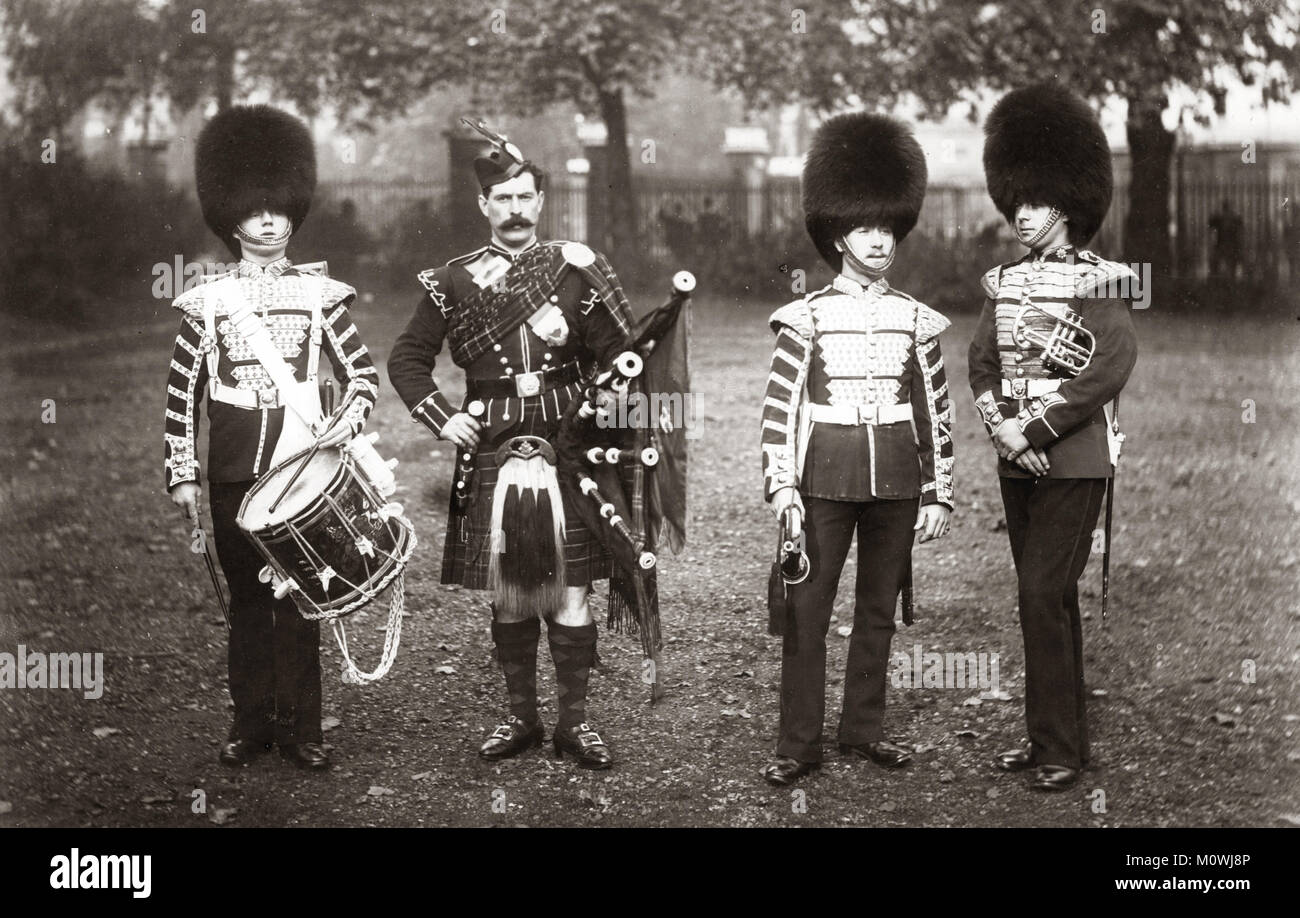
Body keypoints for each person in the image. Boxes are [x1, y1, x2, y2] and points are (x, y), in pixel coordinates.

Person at [387, 128, 636, 770]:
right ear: (484, 206)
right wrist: (442, 418)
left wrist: (594, 407)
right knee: (510, 585)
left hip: (565, 436)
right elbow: (408, 358)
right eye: (504, 198)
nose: (517, 208)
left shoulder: (573, 266)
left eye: (527, 196)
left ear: (540, 201)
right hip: (494, 435)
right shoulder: (455, 279)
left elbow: (624, 358)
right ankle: (522, 719)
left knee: (572, 584)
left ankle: (574, 725)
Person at [163, 105, 379, 771]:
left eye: (278, 209)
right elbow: (181, 394)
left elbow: (364, 376)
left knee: (303, 602)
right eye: (254, 210)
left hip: (300, 471)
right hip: (232, 468)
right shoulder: (206, 304)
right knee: (249, 601)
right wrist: (183, 473)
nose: (267, 220)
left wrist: (348, 419)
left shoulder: (321, 297)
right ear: (231, 217)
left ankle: (302, 730)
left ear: (293, 211)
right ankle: (250, 726)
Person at [759, 113, 954, 787]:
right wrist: (783, 487)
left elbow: (935, 409)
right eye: (865, 228)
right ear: (839, 234)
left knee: (878, 612)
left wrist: (938, 490)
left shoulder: (916, 317)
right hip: (824, 480)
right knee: (807, 613)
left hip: (897, 481)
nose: (879, 240)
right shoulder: (806, 316)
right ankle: (798, 744)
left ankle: (863, 730)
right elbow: (781, 408)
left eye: (887, 228)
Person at [969, 83, 1139, 792]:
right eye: (1015, 204)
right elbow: (980, 365)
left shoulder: (1101, 282)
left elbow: (1108, 366)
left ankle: (1060, 750)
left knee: (1041, 595)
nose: (1020, 216)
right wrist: (1006, 432)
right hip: (1020, 460)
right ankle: (1057, 744)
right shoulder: (1002, 282)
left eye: (1033, 204)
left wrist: (1034, 428)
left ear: (1065, 205)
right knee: (1051, 600)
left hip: (1073, 461)